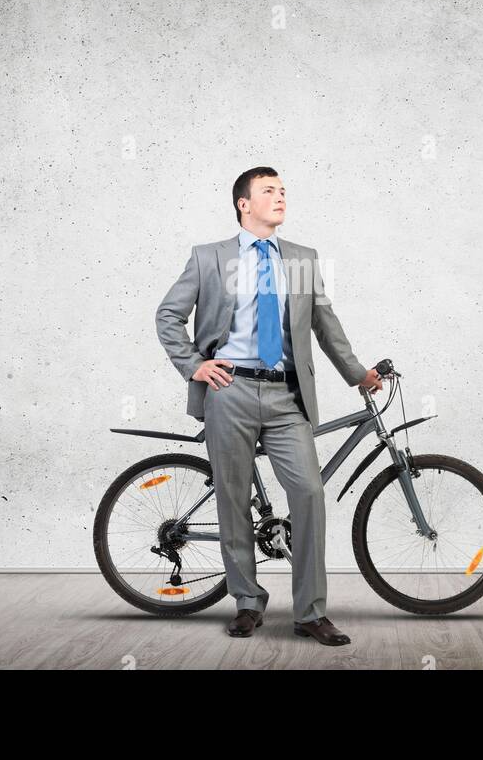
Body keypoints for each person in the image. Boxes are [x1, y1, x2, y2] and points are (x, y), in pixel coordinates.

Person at [155, 166, 381, 645]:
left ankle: (311, 612)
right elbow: (169, 315)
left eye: (283, 191)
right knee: (232, 499)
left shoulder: (301, 259)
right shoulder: (208, 257)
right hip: (228, 392)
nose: (280, 198)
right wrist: (194, 365)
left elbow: (325, 324)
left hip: (285, 395)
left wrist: (357, 374)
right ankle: (247, 603)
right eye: (268, 191)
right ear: (244, 203)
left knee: (309, 494)